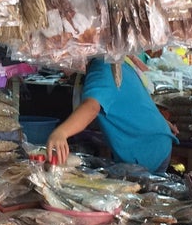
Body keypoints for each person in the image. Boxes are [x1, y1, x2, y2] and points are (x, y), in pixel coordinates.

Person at [46, 56, 178, 174]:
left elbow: (91, 107)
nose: (59, 67)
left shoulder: (102, 70)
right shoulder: (113, 61)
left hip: (146, 148)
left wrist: (61, 133)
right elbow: (134, 99)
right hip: (156, 140)